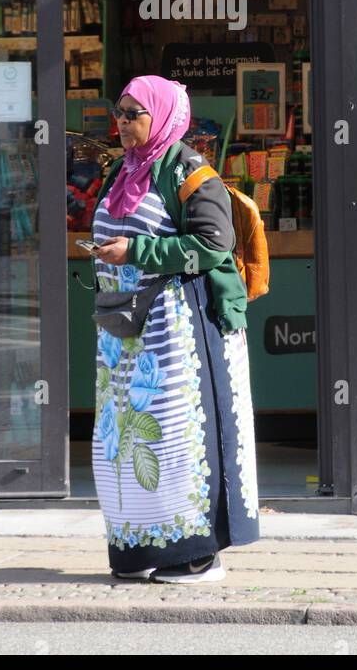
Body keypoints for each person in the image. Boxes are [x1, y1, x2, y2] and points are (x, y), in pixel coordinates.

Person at [90, 74, 260, 583]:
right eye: (119, 113)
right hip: (125, 332)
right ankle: (139, 549)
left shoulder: (190, 172)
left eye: (133, 114)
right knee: (122, 442)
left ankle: (195, 554)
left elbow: (212, 243)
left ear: (162, 116)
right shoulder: (124, 170)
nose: (122, 123)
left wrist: (135, 251)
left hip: (178, 331)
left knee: (176, 437)